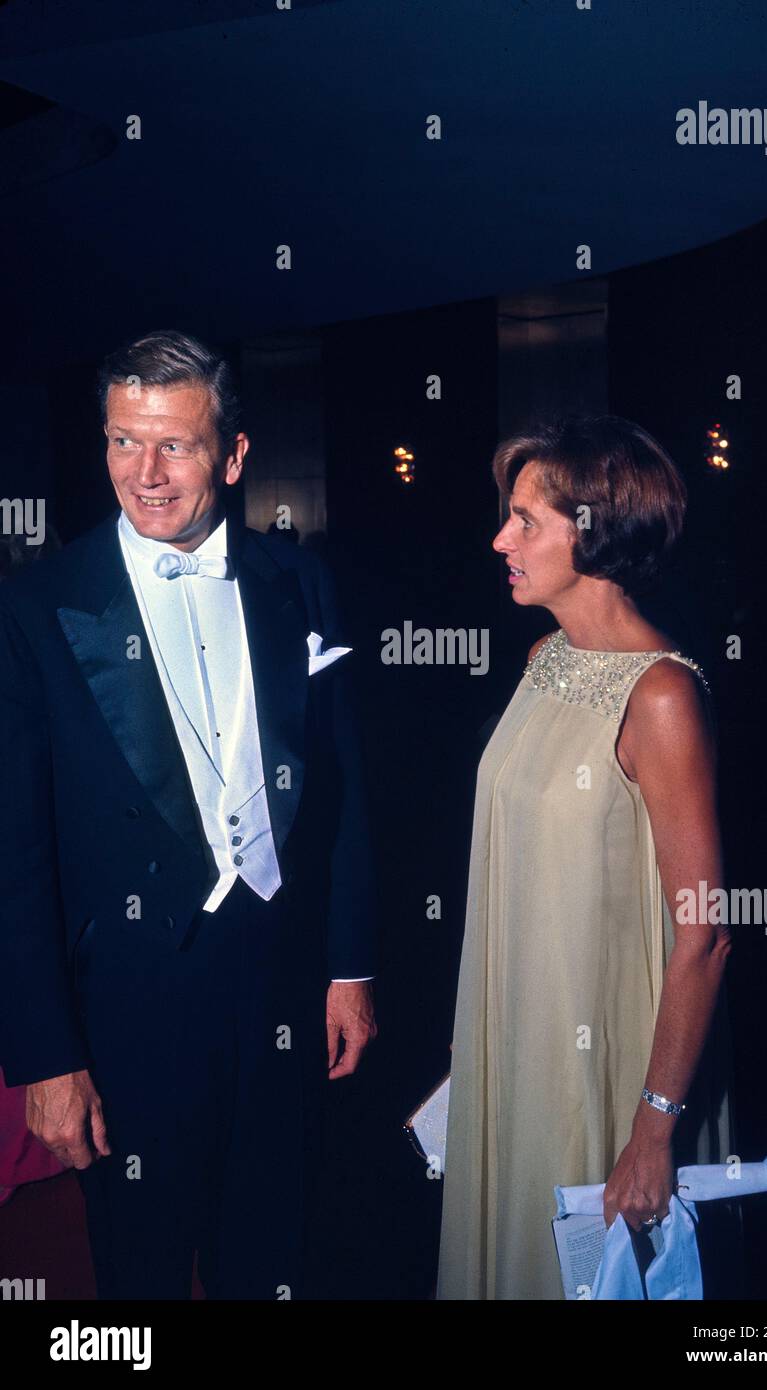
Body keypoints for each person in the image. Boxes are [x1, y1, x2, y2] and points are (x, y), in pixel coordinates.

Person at [0, 330, 377, 1299]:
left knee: (274, 1254)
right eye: (124, 441)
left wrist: (348, 964)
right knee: (144, 1271)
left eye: (175, 445)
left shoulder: (302, 581)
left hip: (280, 987)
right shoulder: (35, 605)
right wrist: (44, 1055)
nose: (146, 474)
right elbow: (15, 851)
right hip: (129, 1008)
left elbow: (342, 787)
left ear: (235, 454)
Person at [437, 415, 733, 1300]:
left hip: (610, 1065)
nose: (501, 539)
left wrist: (652, 1132)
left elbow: (704, 937)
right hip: (519, 1043)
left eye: (527, 520)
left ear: (594, 531)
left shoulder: (663, 695)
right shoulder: (543, 659)